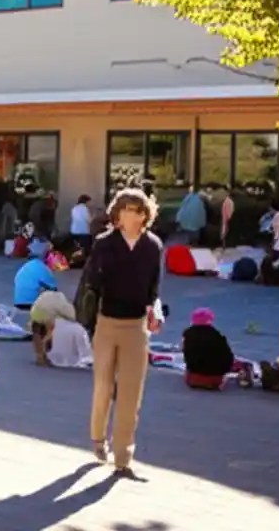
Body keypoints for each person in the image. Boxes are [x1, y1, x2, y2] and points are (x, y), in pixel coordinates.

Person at [86, 188, 165, 478]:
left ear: (146, 215)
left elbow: (154, 289)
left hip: (136, 326)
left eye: (138, 210)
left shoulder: (153, 246)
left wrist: (155, 310)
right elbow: (92, 283)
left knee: (131, 392)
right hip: (107, 322)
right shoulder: (105, 243)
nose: (132, 215)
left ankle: (123, 457)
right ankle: (97, 438)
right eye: (127, 210)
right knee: (104, 386)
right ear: (117, 214)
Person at [181, 307, 235, 390]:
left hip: (195, 377)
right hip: (216, 378)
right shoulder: (217, 335)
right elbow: (228, 356)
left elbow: (185, 353)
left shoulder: (187, 334)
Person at [30, 288, 76, 366]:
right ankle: (45, 348)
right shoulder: (61, 299)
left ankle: (39, 355)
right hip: (47, 316)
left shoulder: (44, 295)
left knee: (36, 332)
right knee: (52, 329)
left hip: (35, 313)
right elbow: (72, 316)